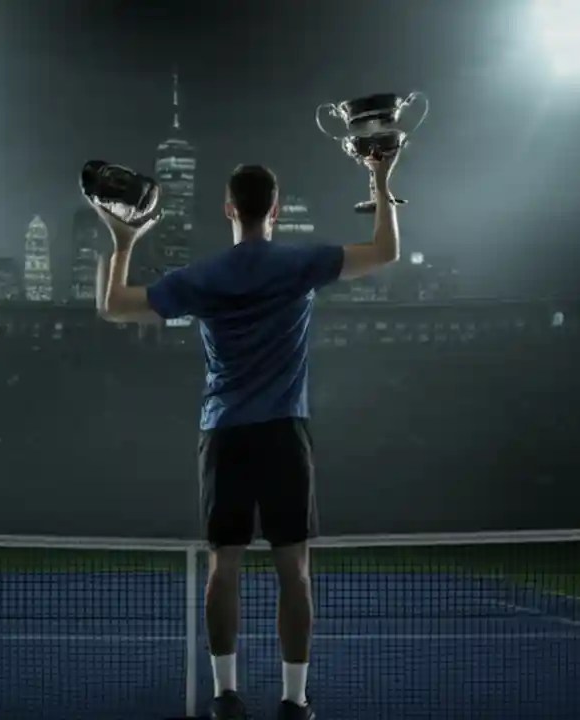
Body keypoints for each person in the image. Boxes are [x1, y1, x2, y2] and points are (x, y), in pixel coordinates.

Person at [92, 152, 402, 720]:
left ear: (228, 209)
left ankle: (225, 695)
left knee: (223, 567)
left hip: (225, 433)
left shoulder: (203, 277)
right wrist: (380, 181)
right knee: (295, 571)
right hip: (284, 432)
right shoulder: (299, 263)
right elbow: (385, 251)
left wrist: (122, 240)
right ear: (275, 211)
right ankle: (293, 700)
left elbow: (113, 306)